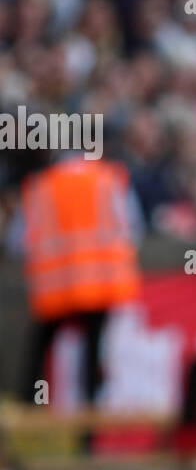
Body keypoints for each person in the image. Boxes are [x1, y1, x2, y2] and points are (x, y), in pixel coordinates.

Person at [17, 153, 141, 414]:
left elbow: (19, 239)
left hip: (56, 286)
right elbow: (133, 229)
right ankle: (90, 422)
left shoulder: (42, 185)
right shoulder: (109, 179)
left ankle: (28, 408)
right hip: (100, 283)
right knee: (93, 351)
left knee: (40, 347)